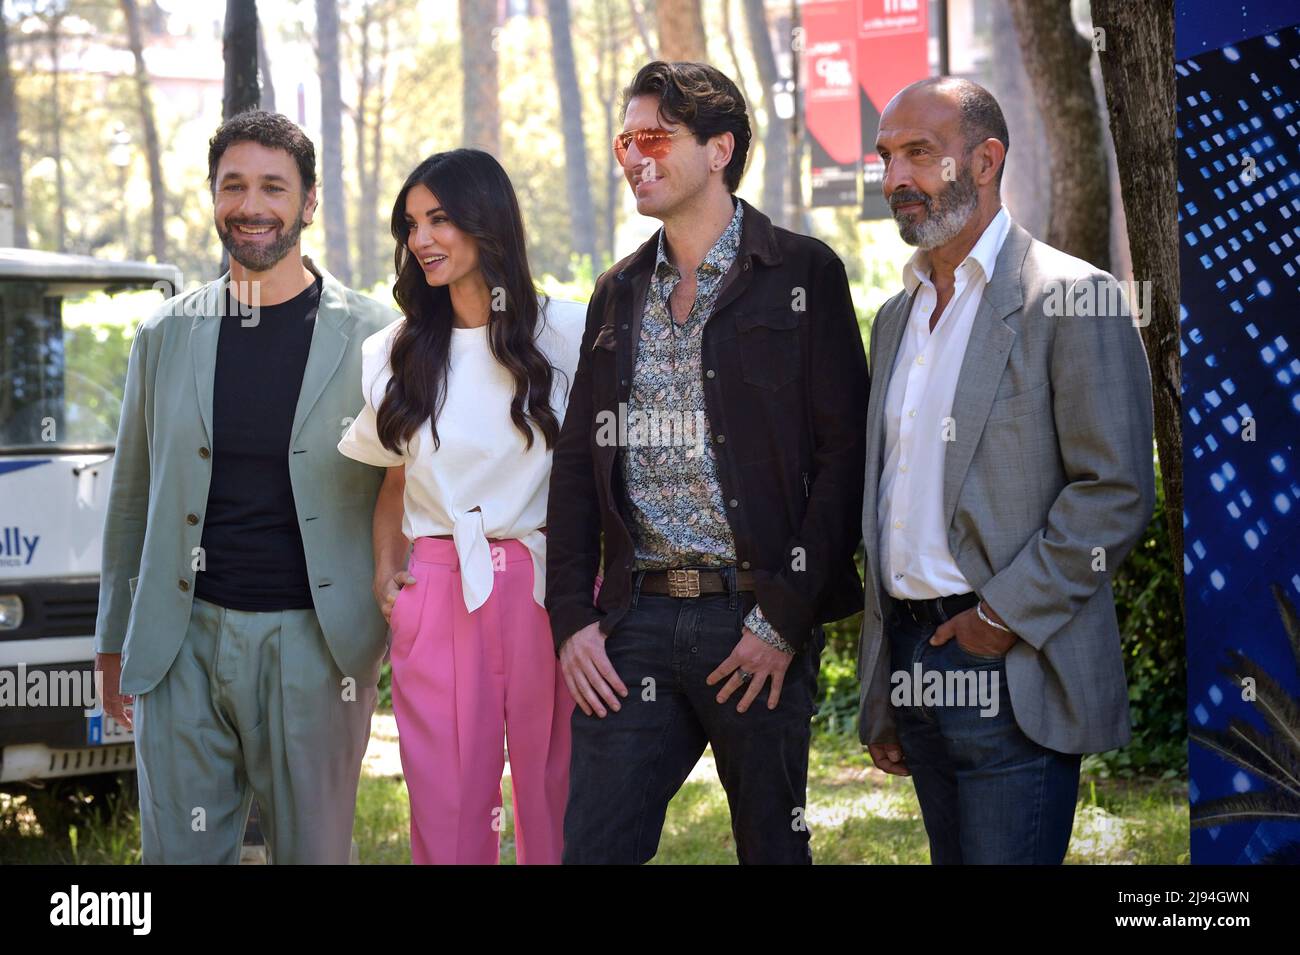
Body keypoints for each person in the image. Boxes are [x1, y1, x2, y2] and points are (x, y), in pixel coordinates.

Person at [545, 61, 868, 865]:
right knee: (591, 849)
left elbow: (845, 455)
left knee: (772, 850)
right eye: (626, 139)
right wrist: (571, 619)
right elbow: (579, 460)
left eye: (654, 136)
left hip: (753, 621)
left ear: (720, 147)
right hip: (637, 623)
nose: (633, 156)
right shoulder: (616, 292)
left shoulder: (802, 273)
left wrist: (782, 620)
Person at [857, 77, 1156, 864]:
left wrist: (999, 619)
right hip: (917, 659)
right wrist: (889, 675)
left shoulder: (1074, 298)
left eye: (919, 154)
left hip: (1013, 662)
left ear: (985, 160)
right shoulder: (897, 318)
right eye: (886, 157)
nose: (895, 179)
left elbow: (1116, 489)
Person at [94, 110, 398, 864]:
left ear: (310, 199)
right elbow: (133, 494)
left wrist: (394, 612)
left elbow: (407, 484)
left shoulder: (375, 337)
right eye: (234, 185)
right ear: (213, 196)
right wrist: (111, 640)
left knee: (315, 854)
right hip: (179, 641)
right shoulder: (165, 335)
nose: (251, 205)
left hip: (317, 648)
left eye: (273, 186)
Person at [338, 149, 584, 865]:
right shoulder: (394, 351)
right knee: (446, 808)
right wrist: (389, 577)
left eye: (440, 218)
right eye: (412, 224)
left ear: (489, 220)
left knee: (556, 794)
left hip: (548, 583)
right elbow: (391, 480)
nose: (422, 239)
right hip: (440, 586)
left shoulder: (567, 331)